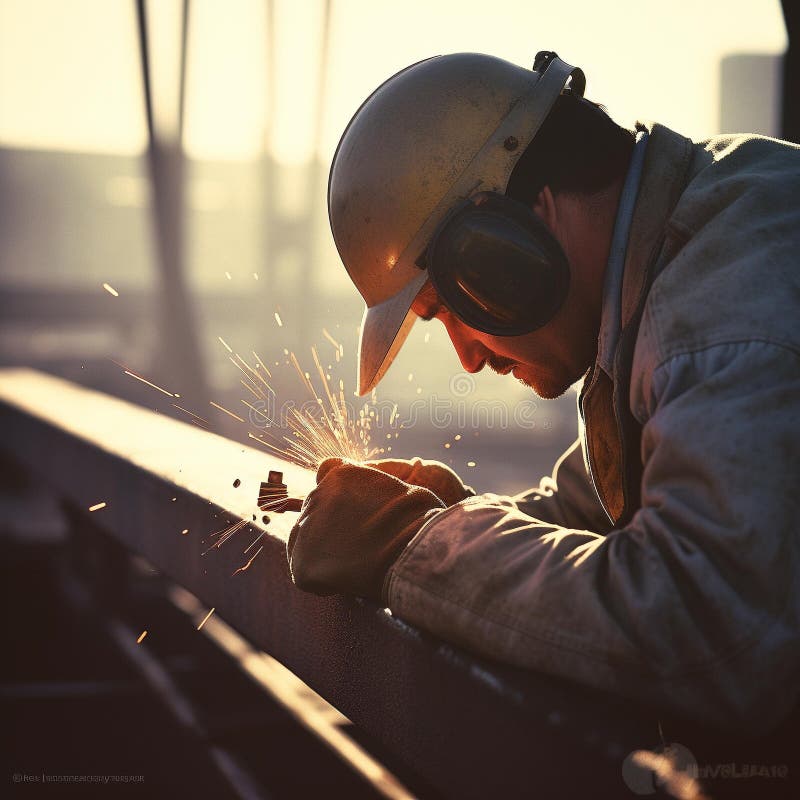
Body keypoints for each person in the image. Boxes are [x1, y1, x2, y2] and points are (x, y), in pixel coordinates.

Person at [286, 51, 800, 734]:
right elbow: (595, 518)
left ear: (511, 243)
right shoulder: (662, 272)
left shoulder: (723, 309)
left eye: (449, 309)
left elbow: (712, 629)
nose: (469, 358)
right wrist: (458, 512)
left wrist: (409, 543)